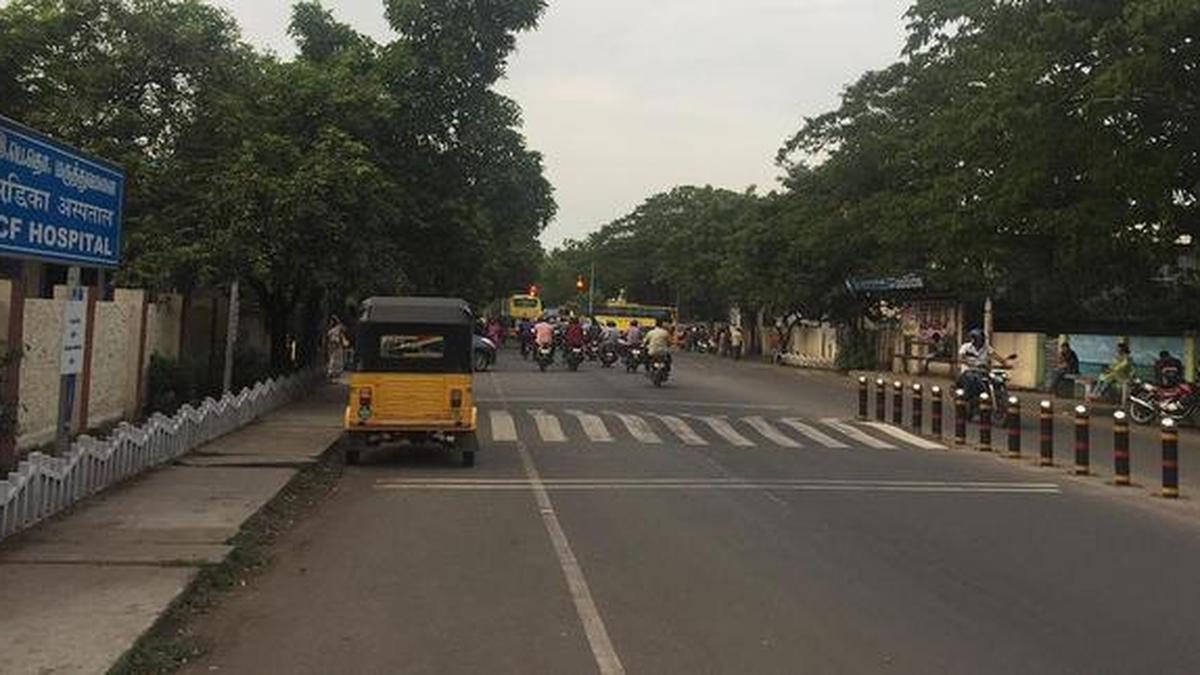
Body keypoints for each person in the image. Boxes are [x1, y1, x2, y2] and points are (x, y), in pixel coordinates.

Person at [956, 329, 1004, 400]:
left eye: (982, 339)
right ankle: (966, 397)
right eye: (979, 339)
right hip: (968, 371)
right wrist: (969, 363)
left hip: (982, 371)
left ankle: (993, 396)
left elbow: (995, 355)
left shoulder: (986, 347)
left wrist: (1004, 362)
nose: (981, 341)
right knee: (971, 380)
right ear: (973, 339)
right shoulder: (965, 347)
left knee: (994, 380)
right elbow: (960, 358)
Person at [326, 316, 347, 380]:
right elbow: (329, 337)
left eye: (332, 321)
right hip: (332, 344)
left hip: (337, 344)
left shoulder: (338, 327)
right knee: (333, 358)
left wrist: (339, 322)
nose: (331, 322)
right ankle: (331, 372)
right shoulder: (330, 329)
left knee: (337, 358)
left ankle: (334, 372)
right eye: (330, 321)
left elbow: (344, 329)